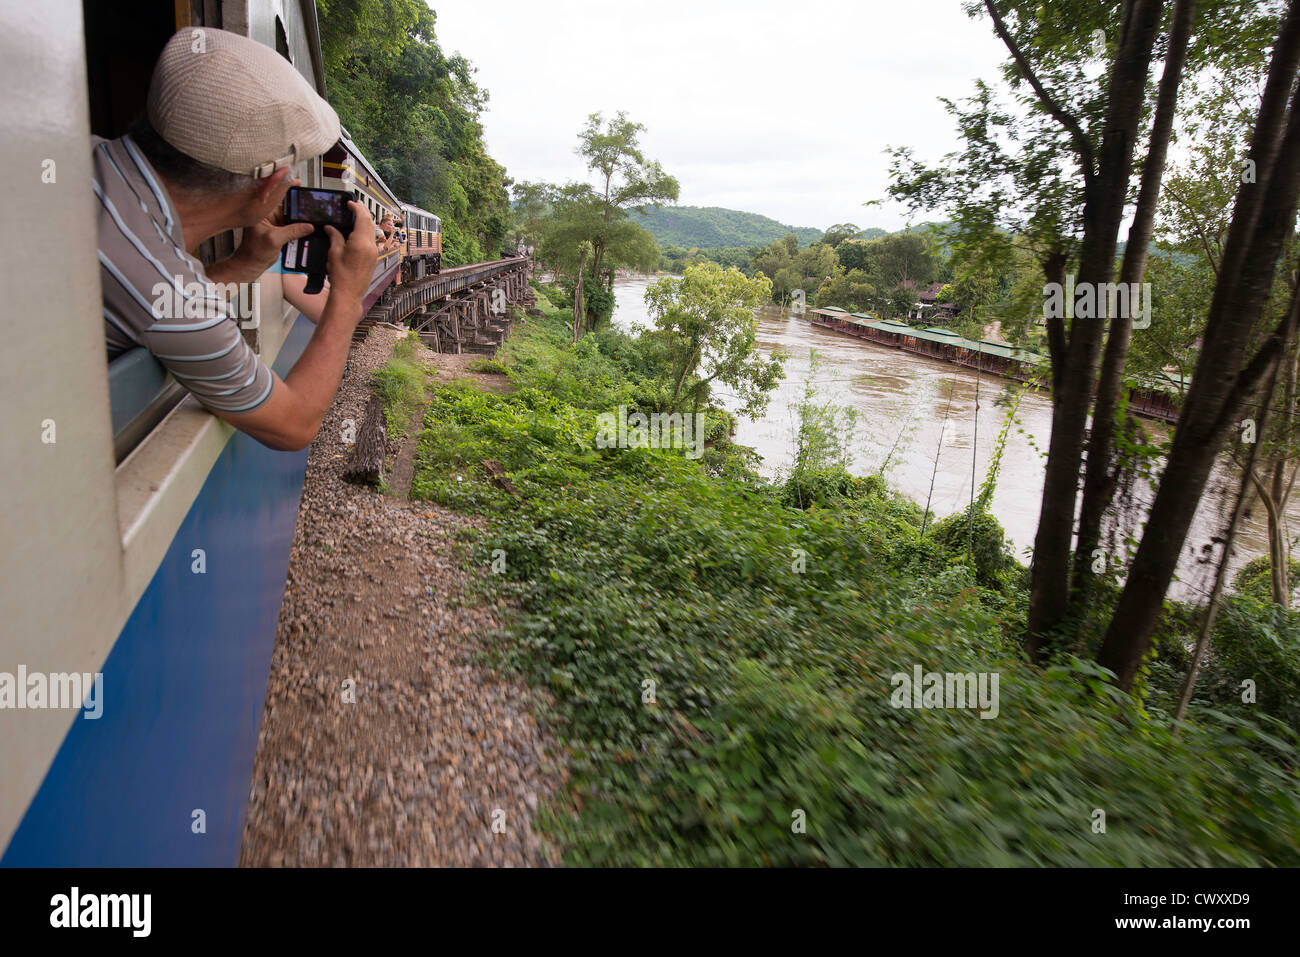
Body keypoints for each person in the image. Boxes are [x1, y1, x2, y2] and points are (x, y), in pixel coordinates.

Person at [96, 28, 378, 452]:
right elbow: (293, 424)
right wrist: (348, 297)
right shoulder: (172, 290)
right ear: (270, 188)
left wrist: (246, 264)